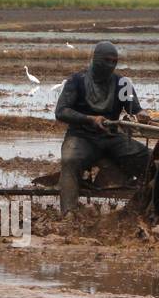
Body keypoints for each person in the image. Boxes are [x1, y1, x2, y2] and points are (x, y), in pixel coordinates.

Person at [53, 41, 151, 214]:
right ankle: (68, 213)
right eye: (107, 60)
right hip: (82, 136)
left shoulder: (123, 84)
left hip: (112, 137)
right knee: (70, 160)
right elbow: (61, 111)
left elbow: (134, 109)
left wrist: (142, 114)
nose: (111, 65)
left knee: (149, 159)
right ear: (96, 59)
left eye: (114, 61)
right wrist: (90, 119)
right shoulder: (77, 81)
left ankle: (148, 203)